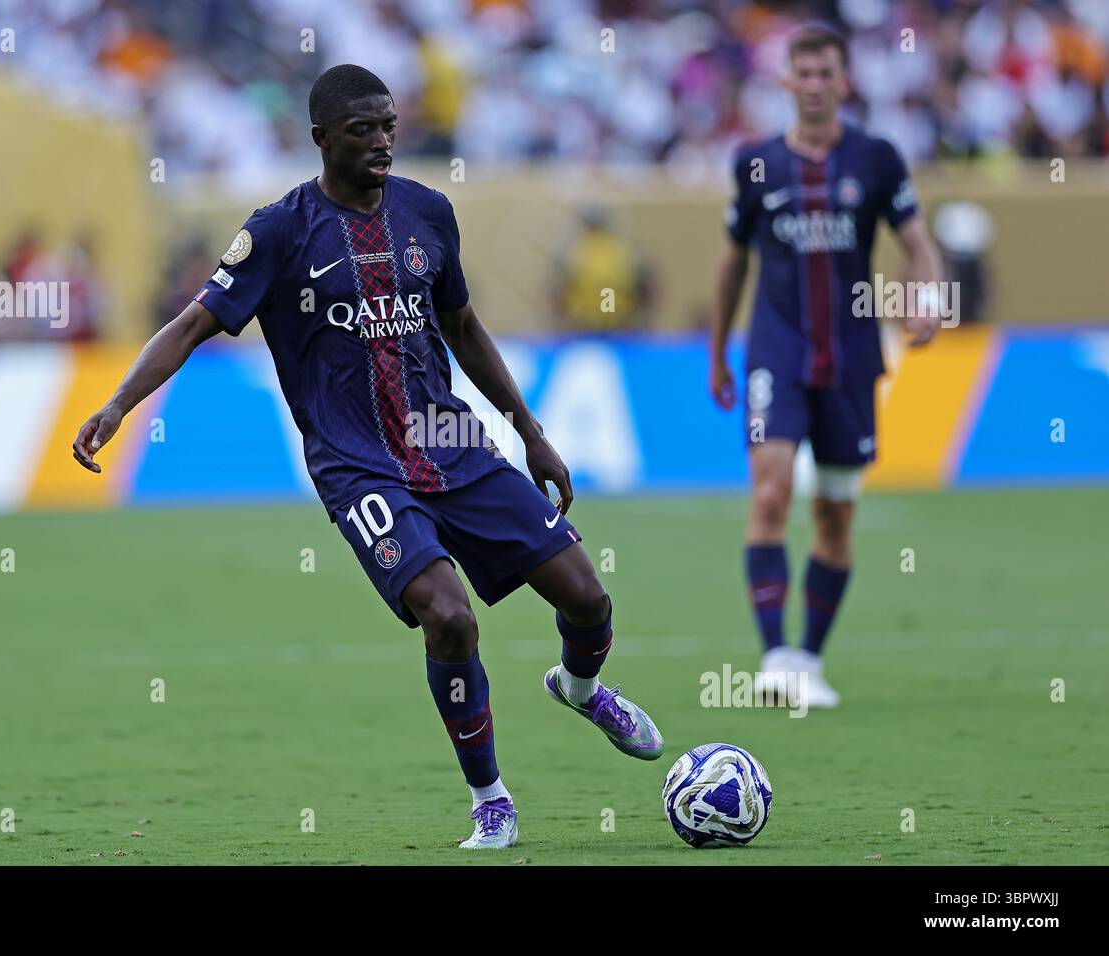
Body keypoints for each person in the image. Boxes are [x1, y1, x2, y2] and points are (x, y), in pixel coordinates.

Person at [71, 64, 663, 850]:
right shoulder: (280, 231)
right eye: (363, 129)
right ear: (322, 137)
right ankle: (490, 797)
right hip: (358, 466)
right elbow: (190, 324)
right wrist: (118, 404)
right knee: (447, 618)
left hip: (451, 443)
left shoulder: (427, 213)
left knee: (586, 598)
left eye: (388, 125)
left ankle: (582, 689)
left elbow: (464, 328)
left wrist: (529, 430)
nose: (383, 141)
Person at [708, 25, 944, 709]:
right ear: (786, 82)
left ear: (844, 82)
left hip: (850, 356)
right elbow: (732, 263)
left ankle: (810, 657)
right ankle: (775, 655)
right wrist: (718, 351)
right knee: (772, 493)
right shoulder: (754, 163)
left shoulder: (876, 159)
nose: (814, 85)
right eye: (802, 73)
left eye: (825, 74)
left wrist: (926, 298)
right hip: (774, 352)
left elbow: (918, 244)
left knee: (836, 515)